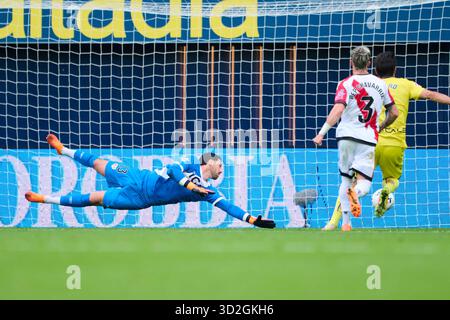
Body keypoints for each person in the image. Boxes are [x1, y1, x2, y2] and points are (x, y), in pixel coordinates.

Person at [25, 134, 276, 229]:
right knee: (100, 163)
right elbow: (172, 171)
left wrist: (252, 220)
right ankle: (64, 150)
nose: (222, 167)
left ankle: (44, 199)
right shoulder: (189, 164)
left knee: (94, 198)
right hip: (137, 176)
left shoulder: (208, 191)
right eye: (220, 163)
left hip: (139, 198)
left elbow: (228, 206)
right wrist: (190, 185)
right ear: (209, 161)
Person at [322, 51, 450, 230]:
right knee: (392, 179)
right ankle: (385, 191)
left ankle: (333, 222)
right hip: (395, 144)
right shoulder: (406, 85)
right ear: (395, 69)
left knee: (350, 182)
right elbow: (430, 95)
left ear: (375, 68)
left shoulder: (374, 84)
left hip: (371, 142)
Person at [313, 46, 399, 231]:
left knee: (345, 181)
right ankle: (356, 193)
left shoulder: (345, 83)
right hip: (367, 138)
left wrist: (321, 133)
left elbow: (338, 110)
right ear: (369, 63)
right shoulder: (381, 84)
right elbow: (394, 112)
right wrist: (380, 126)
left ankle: (345, 223)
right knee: (364, 184)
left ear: (351, 62)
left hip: (345, 137)